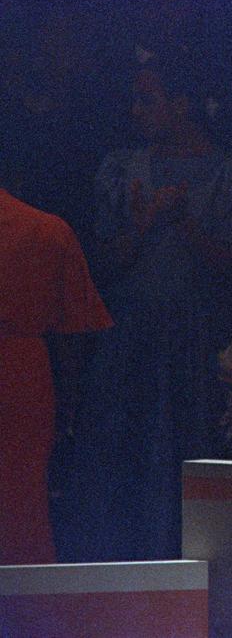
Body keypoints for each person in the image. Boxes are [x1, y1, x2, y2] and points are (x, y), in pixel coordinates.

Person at [69, 53, 232, 561]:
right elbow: (100, 268)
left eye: (147, 99)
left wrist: (183, 225)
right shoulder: (122, 170)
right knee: (123, 465)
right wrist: (141, 225)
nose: (136, 111)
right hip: (129, 346)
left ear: (181, 107)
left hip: (199, 348)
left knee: (192, 459)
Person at [0, 190, 112, 564]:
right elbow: (74, 331)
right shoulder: (48, 231)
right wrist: (69, 401)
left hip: (24, 370)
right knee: (22, 504)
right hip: (23, 377)